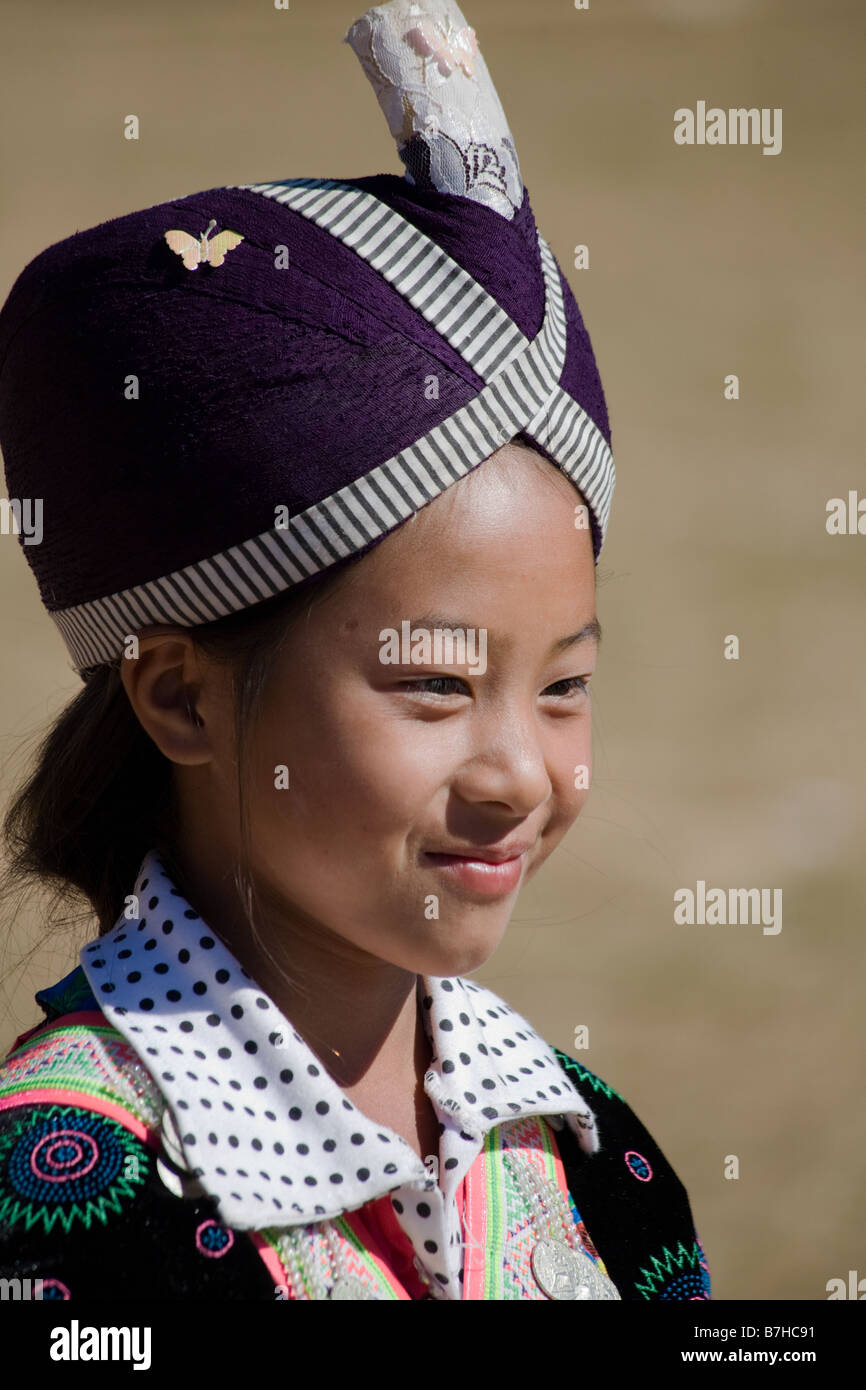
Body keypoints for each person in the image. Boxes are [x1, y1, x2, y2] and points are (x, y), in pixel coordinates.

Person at [0, 0, 710, 1301]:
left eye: (563, 686)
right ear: (179, 694)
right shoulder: (65, 1211)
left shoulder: (589, 1154)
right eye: (435, 683)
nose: (518, 773)